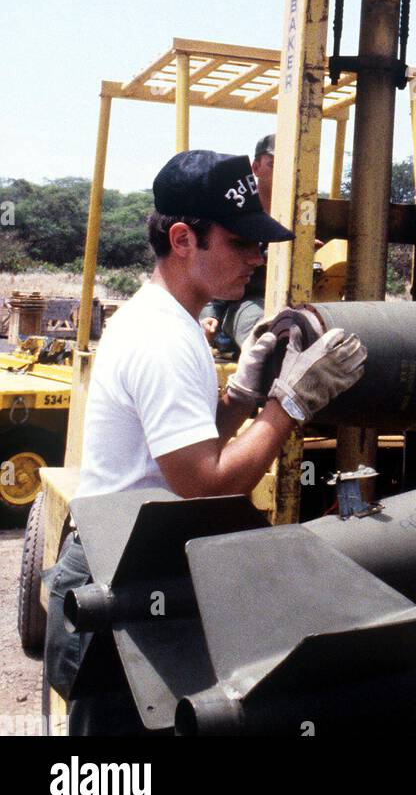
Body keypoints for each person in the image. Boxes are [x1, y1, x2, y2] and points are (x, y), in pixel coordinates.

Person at [44, 148, 365, 732]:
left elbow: (183, 450)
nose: (256, 258)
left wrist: (240, 398)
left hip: (135, 566)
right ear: (184, 239)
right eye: (241, 243)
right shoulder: (162, 338)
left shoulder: (175, 321)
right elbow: (204, 484)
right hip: (116, 581)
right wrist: (289, 405)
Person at [200, 133, 276, 354]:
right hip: (242, 302)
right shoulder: (236, 213)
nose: (283, 172)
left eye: (291, 165)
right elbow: (211, 269)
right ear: (256, 168)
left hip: (296, 300)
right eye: (273, 165)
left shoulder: (306, 216)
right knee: (267, 330)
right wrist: (209, 316)